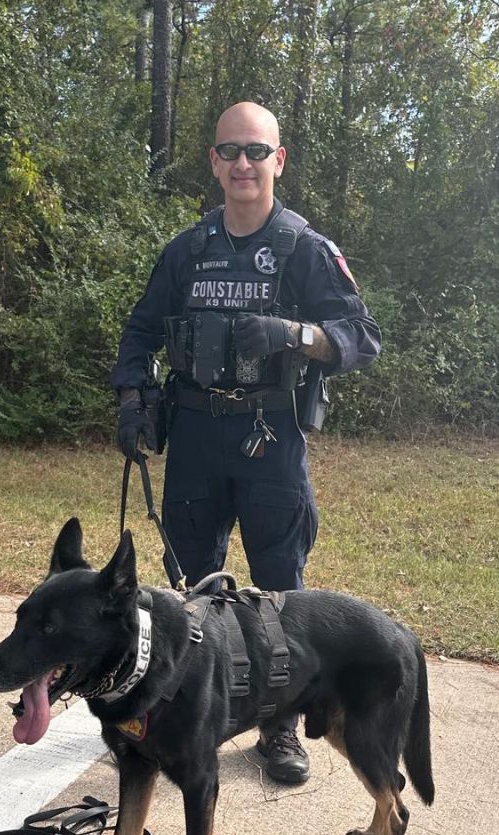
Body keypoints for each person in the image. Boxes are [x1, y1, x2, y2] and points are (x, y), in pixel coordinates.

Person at [111, 101, 382, 785]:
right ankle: (173, 711)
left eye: (256, 152)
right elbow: (141, 331)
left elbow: (361, 337)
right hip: (197, 434)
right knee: (187, 589)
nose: (242, 164)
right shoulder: (188, 249)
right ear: (214, 161)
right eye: (230, 151)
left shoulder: (304, 249)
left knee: (279, 593)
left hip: (271, 438)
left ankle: (280, 729)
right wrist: (133, 398)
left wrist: (294, 334)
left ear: (278, 161)